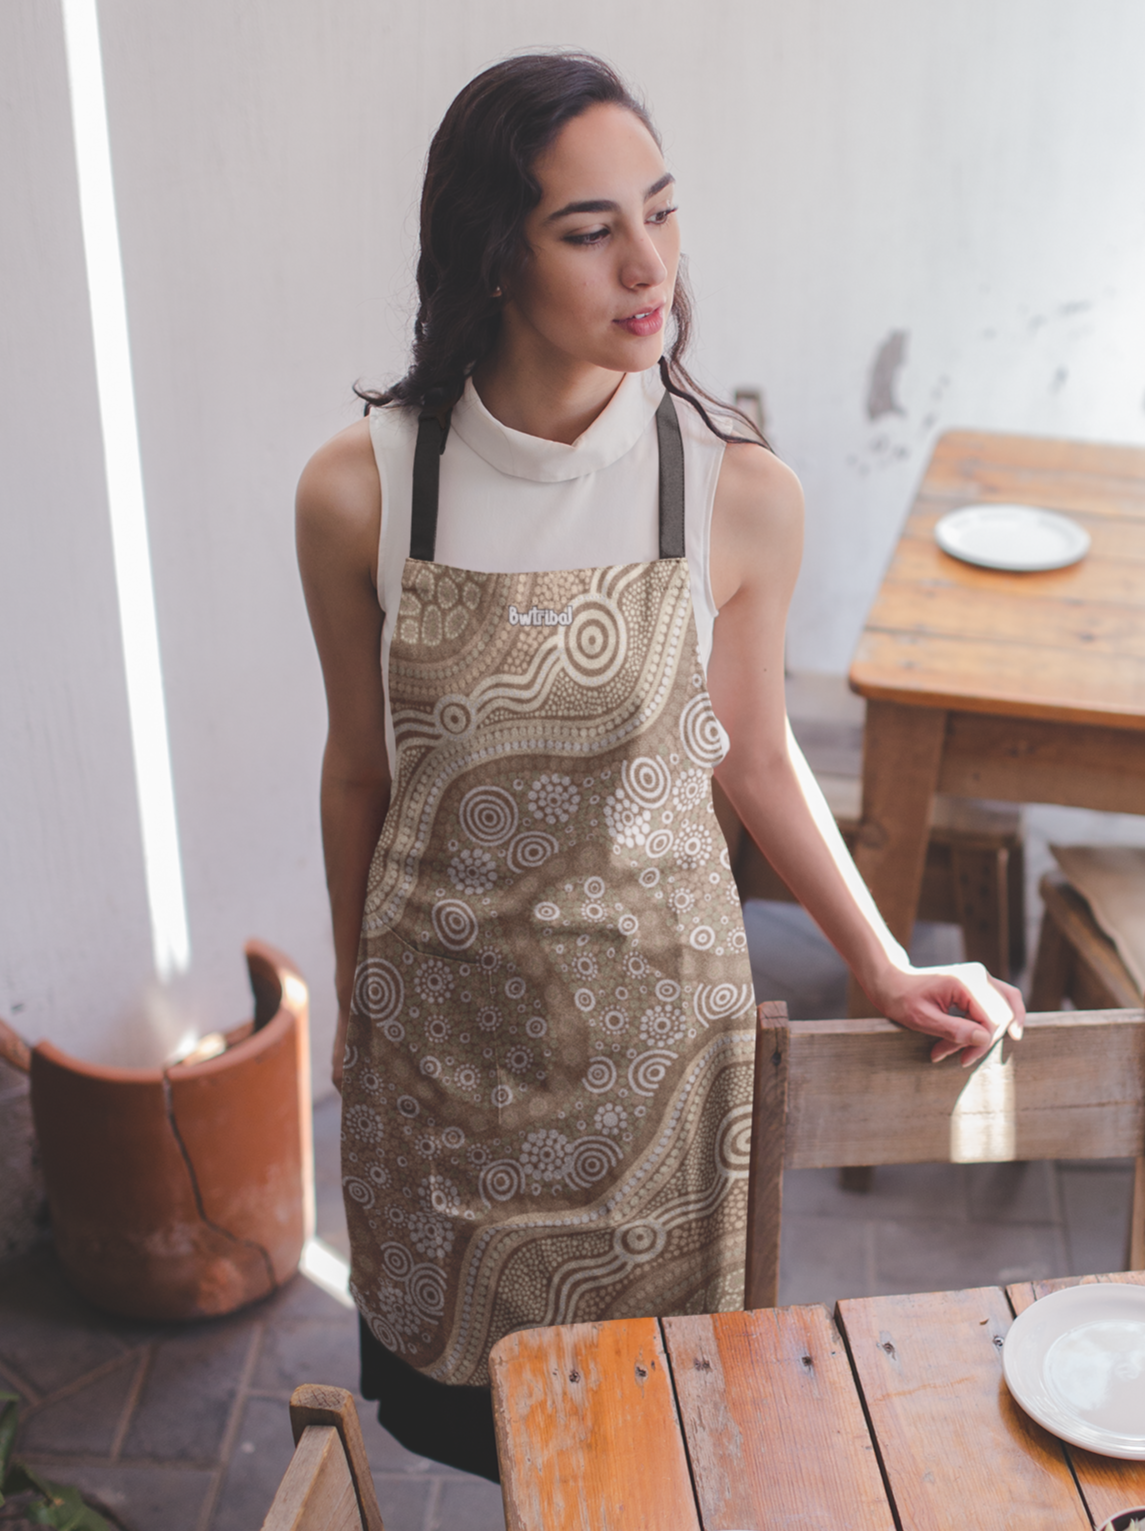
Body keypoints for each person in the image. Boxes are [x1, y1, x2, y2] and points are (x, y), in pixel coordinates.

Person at [296, 51, 1025, 1481]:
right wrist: (360, 1015)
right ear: (491, 253)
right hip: (444, 1064)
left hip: (657, 1083)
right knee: (498, 1444)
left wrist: (877, 961)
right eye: (590, 229)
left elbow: (753, 757)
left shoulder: (736, 489)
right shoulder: (362, 491)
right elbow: (355, 780)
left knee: (659, 1438)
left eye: (664, 212)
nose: (650, 265)